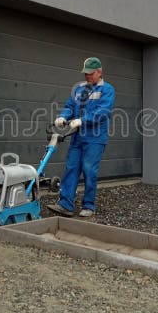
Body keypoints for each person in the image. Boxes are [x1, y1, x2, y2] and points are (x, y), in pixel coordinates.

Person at [47, 57, 115, 218]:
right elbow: (70, 106)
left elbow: (103, 111)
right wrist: (63, 116)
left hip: (95, 138)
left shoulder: (107, 89)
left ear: (99, 72)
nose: (87, 77)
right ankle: (65, 205)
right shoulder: (79, 89)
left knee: (89, 170)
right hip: (77, 137)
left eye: (90, 74)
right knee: (71, 168)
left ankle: (89, 205)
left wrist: (82, 120)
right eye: (85, 74)